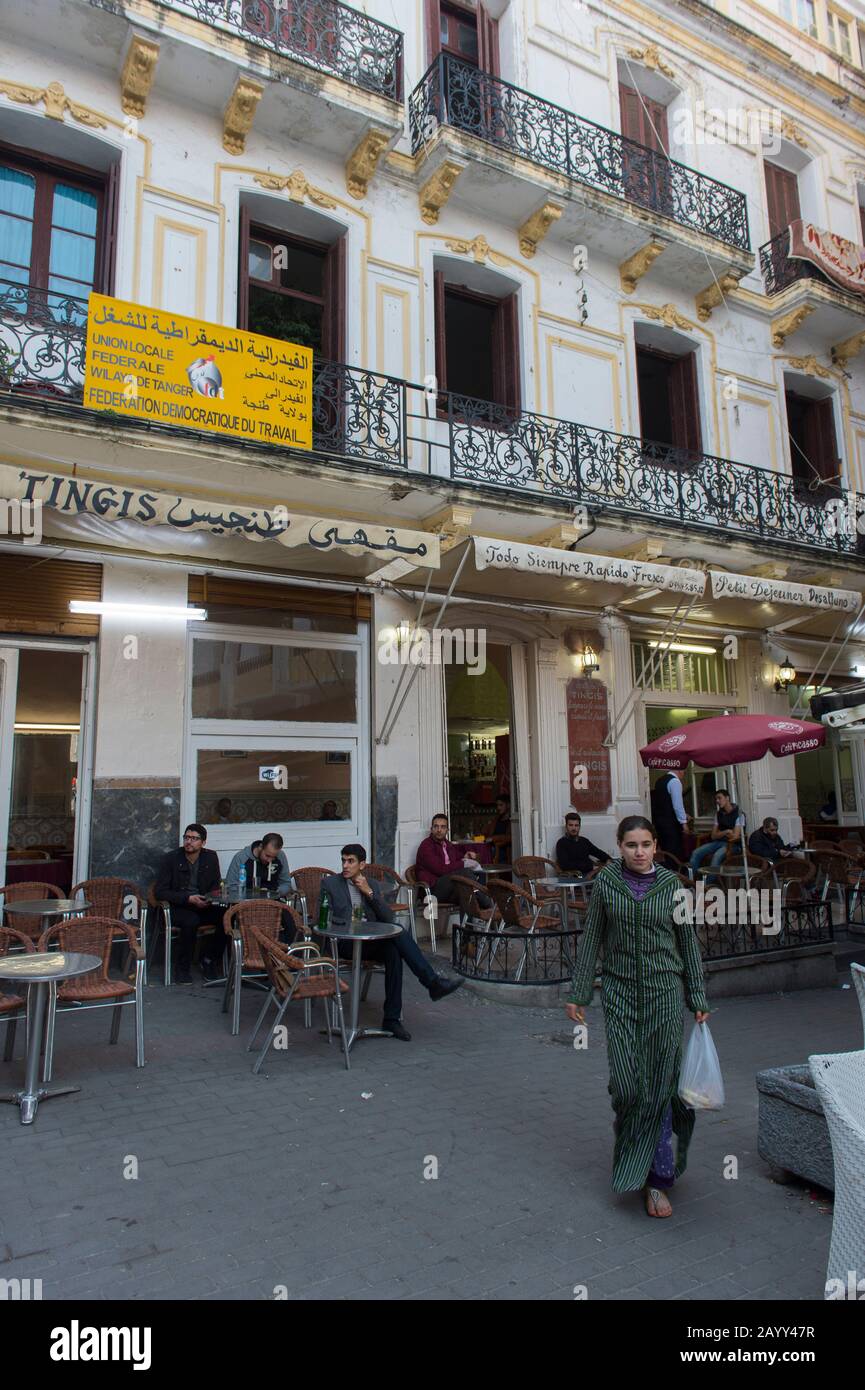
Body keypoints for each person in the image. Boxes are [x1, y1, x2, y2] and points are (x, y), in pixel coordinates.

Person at [565, 816, 710, 1219]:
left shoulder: (671, 887)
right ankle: (630, 1128)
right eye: (631, 845)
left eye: (646, 844)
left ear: (656, 845)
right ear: (619, 846)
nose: (640, 852)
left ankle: (657, 1181)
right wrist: (579, 992)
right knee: (628, 1086)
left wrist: (697, 994)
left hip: (664, 993)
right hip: (620, 993)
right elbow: (593, 936)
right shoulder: (607, 884)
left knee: (660, 1086)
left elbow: (688, 944)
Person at [319, 844, 462, 1041]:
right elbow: (322, 919)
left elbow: (388, 918)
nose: (345, 865)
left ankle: (392, 1019)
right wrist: (348, 924)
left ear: (362, 864)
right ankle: (432, 983)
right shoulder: (330, 884)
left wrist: (369, 893)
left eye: (350, 861)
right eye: (343, 860)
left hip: (369, 942)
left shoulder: (372, 884)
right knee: (399, 937)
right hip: (343, 943)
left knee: (393, 950)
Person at [155, 824, 225, 983]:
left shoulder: (210, 857)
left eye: (194, 839)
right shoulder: (171, 858)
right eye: (187, 837)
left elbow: (215, 885)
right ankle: (182, 968)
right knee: (190, 920)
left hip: (202, 904)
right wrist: (188, 898)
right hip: (177, 907)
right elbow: (160, 892)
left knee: (227, 916)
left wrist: (210, 899)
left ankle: (209, 960)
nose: (189, 842)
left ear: (203, 842)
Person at [415, 813, 490, 907]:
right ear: (431, 829)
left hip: (447, 888)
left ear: (447, 830)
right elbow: (441, 869)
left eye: (443, 827)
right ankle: (489, 904)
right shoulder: (426, 846)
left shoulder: (447, 844)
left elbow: (457, 857)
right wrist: (463, 863)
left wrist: (466, 856)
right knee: (464, 872)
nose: (439, 830)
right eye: (436, 826)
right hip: (432, 890)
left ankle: (469, 920)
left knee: (465, 892)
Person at [688, 789, 744, 884]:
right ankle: (692, 882)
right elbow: (713, 836)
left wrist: (720, 833)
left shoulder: (739, 814)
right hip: (718, 842)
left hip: (733, 845)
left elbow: (735, 836)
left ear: (727, 798)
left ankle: (707, 884)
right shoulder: (718, 814)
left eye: (719, 798)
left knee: (717, 856)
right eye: (716, 799)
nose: (717, 801)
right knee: (696, 852)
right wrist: (726, 831)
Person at [225, 831, 291, 896]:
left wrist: (276, 892)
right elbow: (231, 885)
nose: (269, 860)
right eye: (267, 855)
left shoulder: (280, 856)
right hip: (246, 902)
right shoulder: (241, 857)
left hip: (274, 900)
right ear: (261, 847)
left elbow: (286, 884)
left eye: (273, 857)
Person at [555, 811, 610, 876]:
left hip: (590, 874)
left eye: (576, 825)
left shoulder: (584, 841)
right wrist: (591, 866)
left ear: (579, 827)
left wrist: (608, 859)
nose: (574, 828)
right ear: (566, 826)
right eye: (570, 825)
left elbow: (598, 852)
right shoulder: (561, 843)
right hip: (574, 877)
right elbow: (565, 865)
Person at [650, 770, 689, 861]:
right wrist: (684, 823)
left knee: (666, 853)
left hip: (659, 823)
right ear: (680, 770)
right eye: (684, 771)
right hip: (671, 825)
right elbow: (677, 805)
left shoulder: (659, 781)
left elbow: (664, 803)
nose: (683, 774)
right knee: (675, 854)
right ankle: (676, 873)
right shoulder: (675, 782)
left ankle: (668, 873)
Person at [484, 794, 512, 865]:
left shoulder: (511, 821)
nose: (498, 808)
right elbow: (486, 833)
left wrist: (493, 838)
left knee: (486, 853)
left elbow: (511, 837)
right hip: (491, 847)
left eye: (501, 805)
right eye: (497, 805)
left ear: (508, 805)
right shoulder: (496, 819)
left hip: (503, 850)